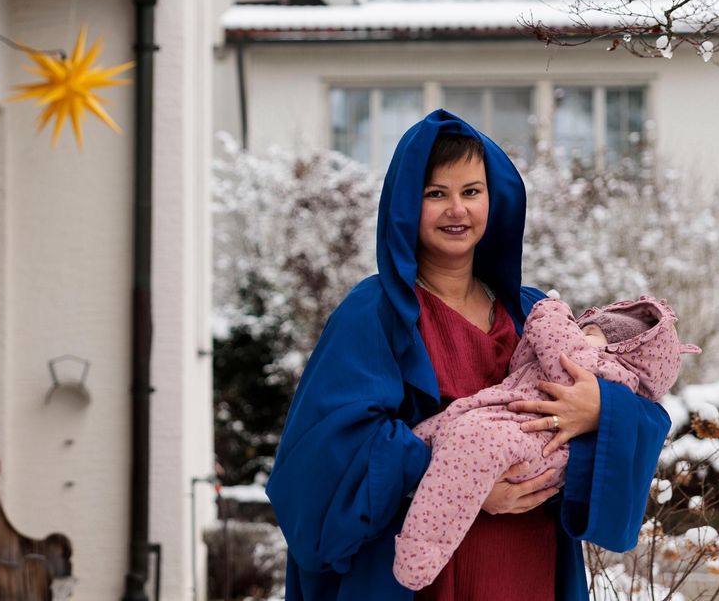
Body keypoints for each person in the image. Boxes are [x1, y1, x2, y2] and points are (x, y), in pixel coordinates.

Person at [265, 110, 672, 601]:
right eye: (435, 193)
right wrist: (466, 482)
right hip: (423, 575)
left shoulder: (532, 312)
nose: (456, 209)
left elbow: (644, 406)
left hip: (528, 567)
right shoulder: (373, 314)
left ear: (493, 200)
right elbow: (322, 459)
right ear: (404, 207)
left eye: (471, 192)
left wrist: (598, 411)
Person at [393, 295, 701, 590]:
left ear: (618, 350)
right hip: (489, 423)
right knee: (433, 437)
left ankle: (419, 553)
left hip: (523, 453)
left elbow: (554, 340)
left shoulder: (602, 369)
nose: (579, 333)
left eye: (590, 332)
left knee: (468, 441)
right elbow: (524, 358)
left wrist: (599, 407)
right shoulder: (379, 307)